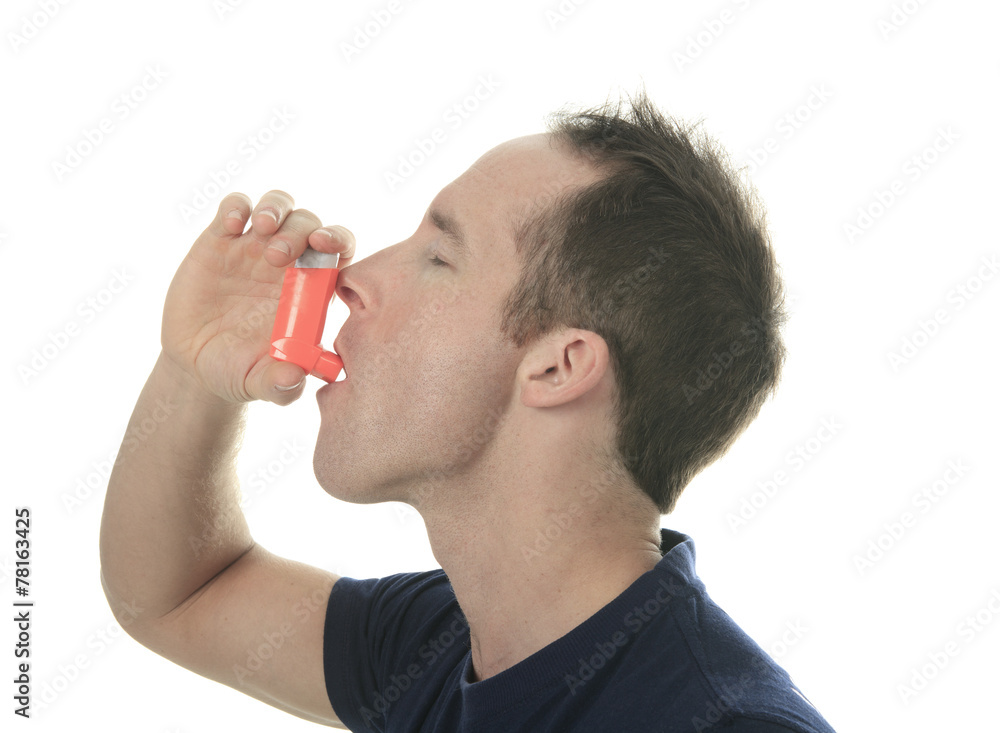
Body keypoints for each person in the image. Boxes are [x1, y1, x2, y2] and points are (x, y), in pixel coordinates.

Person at [100, 90, 837, 732]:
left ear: (558, 366)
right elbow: (178, 593)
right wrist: (196, 370)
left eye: (438, 257)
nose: (352, 276)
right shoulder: (434, 646)